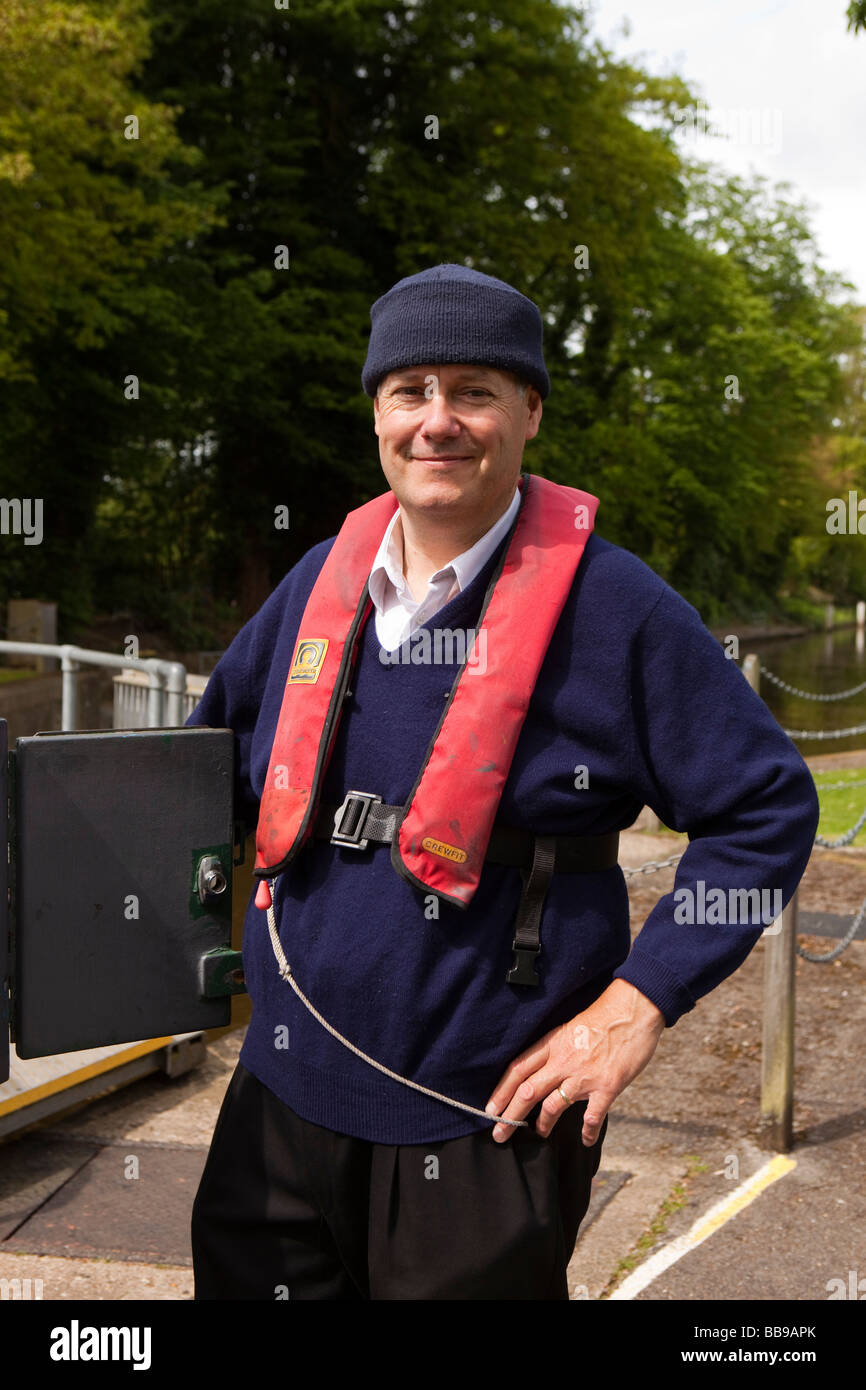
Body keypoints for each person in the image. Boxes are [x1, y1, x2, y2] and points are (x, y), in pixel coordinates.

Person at [187, 263, 819, 1301]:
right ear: (377, 415)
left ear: (528, 411)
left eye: (473, 390)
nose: (437, 421)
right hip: (281, 1098)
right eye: (409, 391)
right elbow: (196, 772)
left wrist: (637, 1002)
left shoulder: (617, 609)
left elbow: (766, 811)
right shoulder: (315, 583)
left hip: (486, 1126)